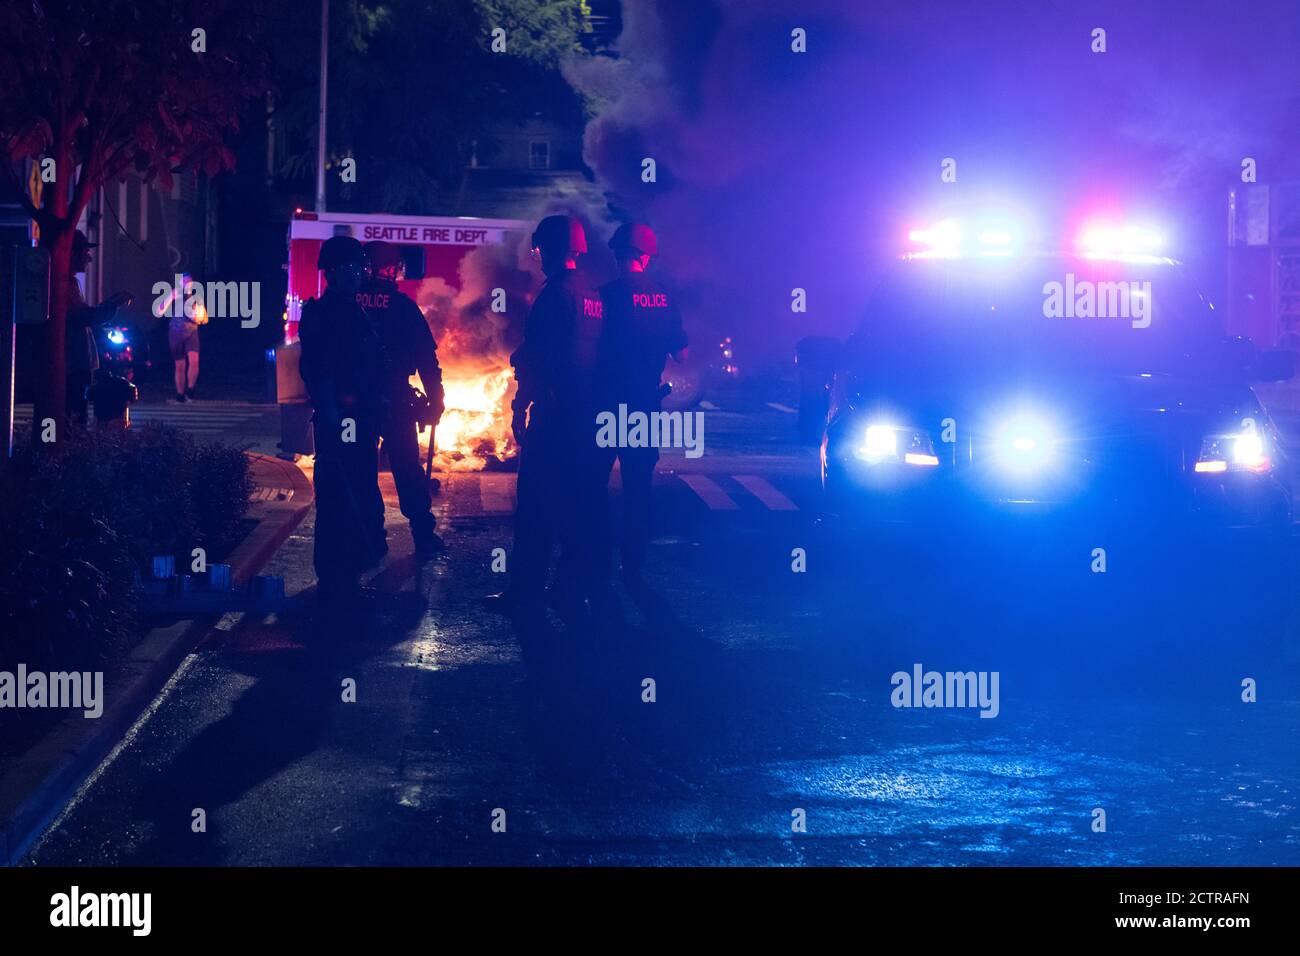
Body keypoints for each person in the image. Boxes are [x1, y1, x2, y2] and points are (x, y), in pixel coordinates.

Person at [498, 214, 606, 623]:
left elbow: (536, 358)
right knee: (578, 506)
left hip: (554, 417)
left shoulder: (553, 296)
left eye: (539, 248)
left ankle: (526, 592)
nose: (537, 257)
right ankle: (569, 590)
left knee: (534, 506)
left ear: (552, 249)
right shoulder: (592, 295)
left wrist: (520, 405)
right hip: (586, 419)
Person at [298, 235, 390, 598]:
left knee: (360, 488)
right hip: (342, 419)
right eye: (349, 269)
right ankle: (335, 576)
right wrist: (334, 417)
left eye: (360, 268)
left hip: (361, 418)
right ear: (331, 273)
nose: (357, 275)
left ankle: (349, 572)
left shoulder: (354, 309)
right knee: (339, 494)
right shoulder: (324, 313)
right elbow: (319, 369)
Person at [596, 223, 688, 587]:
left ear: (618, 255)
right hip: (646, 406)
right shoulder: (664, 298)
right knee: (638, 487)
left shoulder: (605, 296)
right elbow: (680, 355)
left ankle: (596, 558)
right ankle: (633, 563)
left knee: (594, 483)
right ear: (647, 256)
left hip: (605, 404)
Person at [360, 241, 445, 558]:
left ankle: (371, 539)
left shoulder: (351, 304)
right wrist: (436, 399)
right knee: (409, 470)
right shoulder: (403, 307)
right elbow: (426, 359)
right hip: (396, 400)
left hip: (357, 404)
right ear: (393, 269)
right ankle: (423, 536)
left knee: (362, 472)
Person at [66, 230, 132, 424]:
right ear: (72, 254)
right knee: (73, 415)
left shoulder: (71, 282)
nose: (89, 259)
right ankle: (60, 449)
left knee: (76, 413)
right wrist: (113, 305)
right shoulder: (63, 283)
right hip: (71, 364)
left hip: (76, 363)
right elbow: (82, 316)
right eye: (85, 252)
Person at [164, 273, 205, 402]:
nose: (187, 284)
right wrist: (170, 297)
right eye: (184, 282)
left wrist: (199, 318)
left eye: (189, 282)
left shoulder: (195, 299)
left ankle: (191, 390)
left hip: (192, 332)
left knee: (194, 361)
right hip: (176, 333)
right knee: (180, 365)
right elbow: (160, 310)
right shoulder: (174, 296)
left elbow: (205, 318)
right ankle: (180, 394)